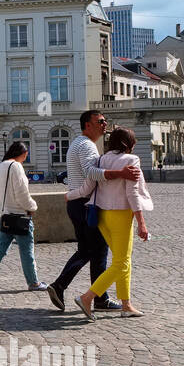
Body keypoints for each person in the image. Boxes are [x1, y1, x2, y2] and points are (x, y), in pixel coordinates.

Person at [47, 110, 141, 314]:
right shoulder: (87, 145)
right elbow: (91, 173)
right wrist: (121, 173)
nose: (104, 124)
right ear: (87, 125)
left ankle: (100, 298)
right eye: (100, 121)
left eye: (105, 120)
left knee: (98, 251)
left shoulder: (78, 143)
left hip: (79, 202)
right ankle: (61, 286)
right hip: (84, 204)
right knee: (91, 250)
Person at [69, 127, 152, 320]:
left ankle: (126, 304)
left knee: (122, 261)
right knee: (122, 263)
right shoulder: (131, 160)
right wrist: (141, 222)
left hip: (101, 216)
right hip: (121, 215)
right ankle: (87, 297)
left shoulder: (101, 159)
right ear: (129, 143)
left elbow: (89, 184)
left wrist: (70, 195)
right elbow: (132, 193)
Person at [0, 142, 47, 293]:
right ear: (22, 153)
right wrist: (32, 207)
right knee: (26, 250)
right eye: (26, 152)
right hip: (18, 215)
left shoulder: (1, 166)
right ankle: (33, 283)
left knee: (0, 246)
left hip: (2, 214)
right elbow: (21, 193)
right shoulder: (16, 166)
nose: (27, 155)